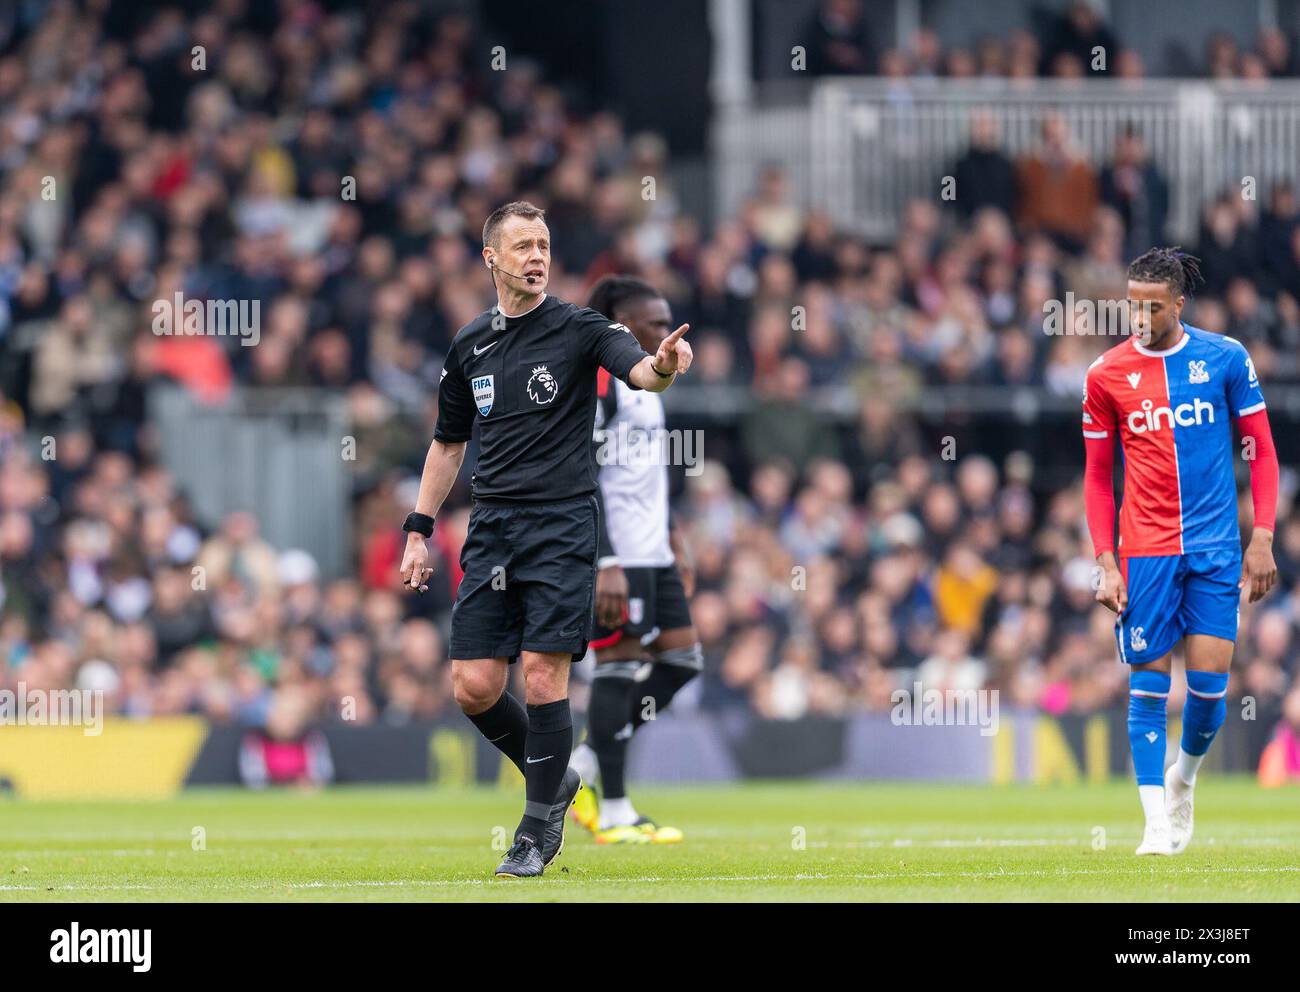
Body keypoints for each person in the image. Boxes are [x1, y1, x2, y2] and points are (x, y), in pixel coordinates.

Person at [398, 202, 693, 878]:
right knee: (472, 686)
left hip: (562, 524)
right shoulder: (470, 343)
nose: (537, 255)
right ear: (491, 258)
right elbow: (447, 446)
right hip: (492, 526)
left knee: (541, 676)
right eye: (523, 245)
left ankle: (533, 835)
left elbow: (640, 371)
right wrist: (417, 528)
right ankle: (556, 777)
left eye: (544, 244)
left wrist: (666, 363)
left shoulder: (581, 327)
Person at [1083, 247, 1278, 855]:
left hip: (1217, 547)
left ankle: (1183, 779)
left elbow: (1262, 452)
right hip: (1144, 549)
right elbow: (1095, 477)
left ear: (1179, 304)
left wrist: (1263, 537)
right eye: (1132, 304)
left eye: (1153, 307)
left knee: (1208, 688)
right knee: (1147, 686)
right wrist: (1105, 559)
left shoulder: (1224, 358)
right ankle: (1154, 825)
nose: (1140, 316)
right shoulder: (1105, 375)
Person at [567, 276, 702, 844]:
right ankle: (616, 810)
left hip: (654, 550)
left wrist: (674, 533)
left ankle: (585, 766)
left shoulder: (653, 382)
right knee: (618, 670)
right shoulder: (603, 381)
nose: (663, 329)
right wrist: (604, 560)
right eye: (653, 321)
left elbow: (646, 470)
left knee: (682, 661)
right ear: (620, 324)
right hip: (616, 552)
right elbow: (583, 469)